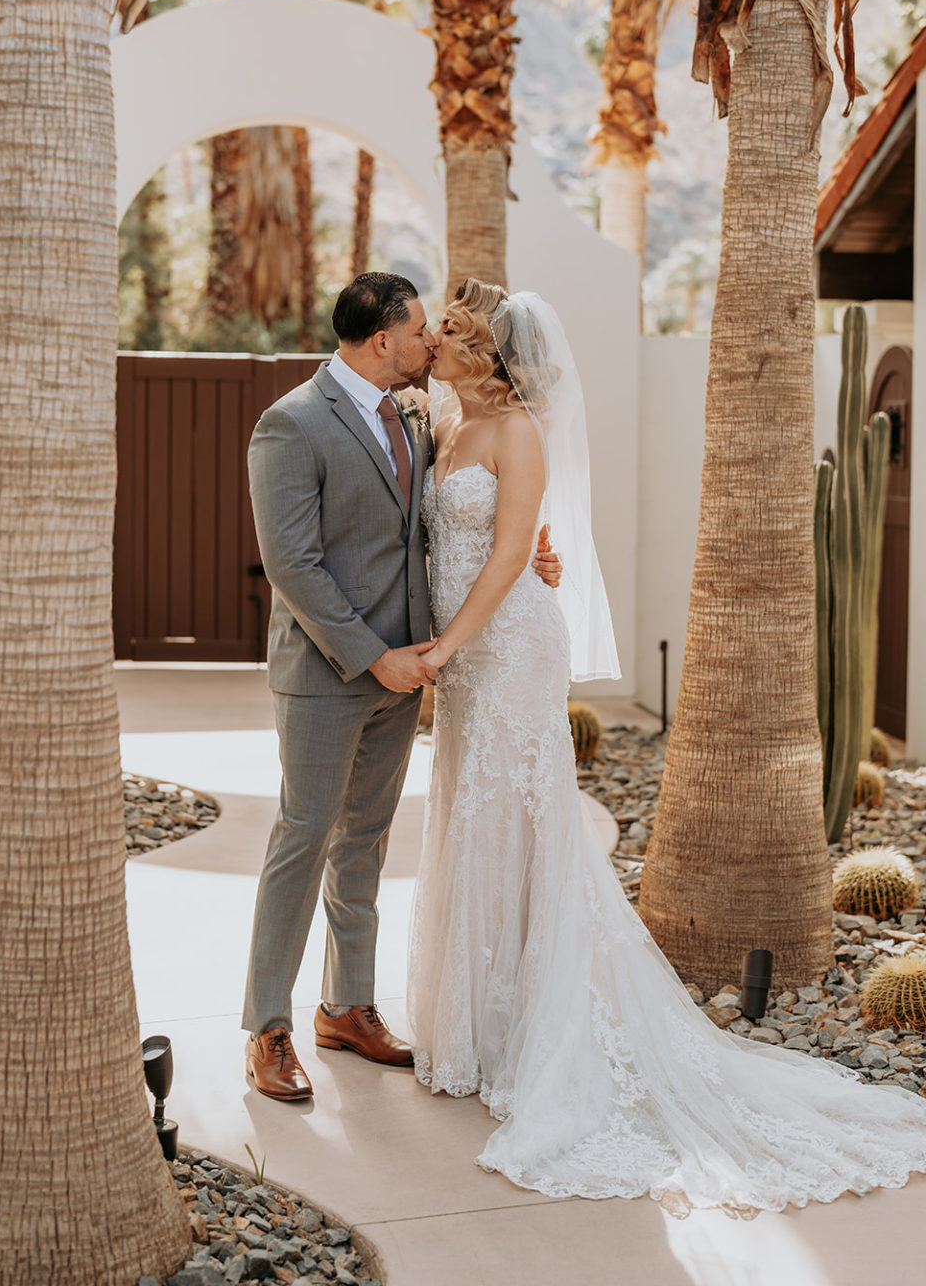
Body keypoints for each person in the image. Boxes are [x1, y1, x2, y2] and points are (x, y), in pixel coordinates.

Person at [409, 277, 926, 1213]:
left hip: (510, 649)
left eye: (446, 334)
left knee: (519, 819)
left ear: (484, 352)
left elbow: (513, 554)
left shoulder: (517, 433)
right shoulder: (443, 427)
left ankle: (528, 1027)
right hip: (466, 658)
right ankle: (474, 1025)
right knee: (470, 818)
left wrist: (447, 646)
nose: (431, 345)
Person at [243, 272, 558, 1101]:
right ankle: (268, 1025)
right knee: (302, 838)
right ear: (382, 339)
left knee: (366, 843)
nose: (430, 342)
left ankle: (347, 1006)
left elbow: (469, 526)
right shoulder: (292, 423)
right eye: (420, 330)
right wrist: (371, 656)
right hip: (329, 671)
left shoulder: (423, 414)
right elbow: (293, 566)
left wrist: (534, 563)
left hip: (410, 670)